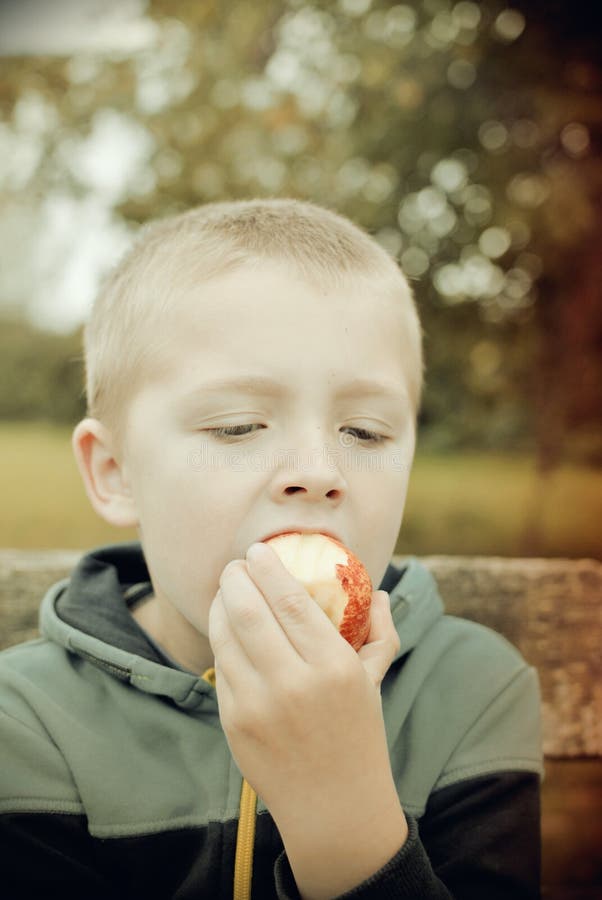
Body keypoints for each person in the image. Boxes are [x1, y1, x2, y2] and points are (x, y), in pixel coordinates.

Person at [0, 198, 543, 899]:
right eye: (237, 426)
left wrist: (344, 813)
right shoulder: (26, 723)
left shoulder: (472, 691)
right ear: (115, 472)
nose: (317, 471)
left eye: (367, 432)